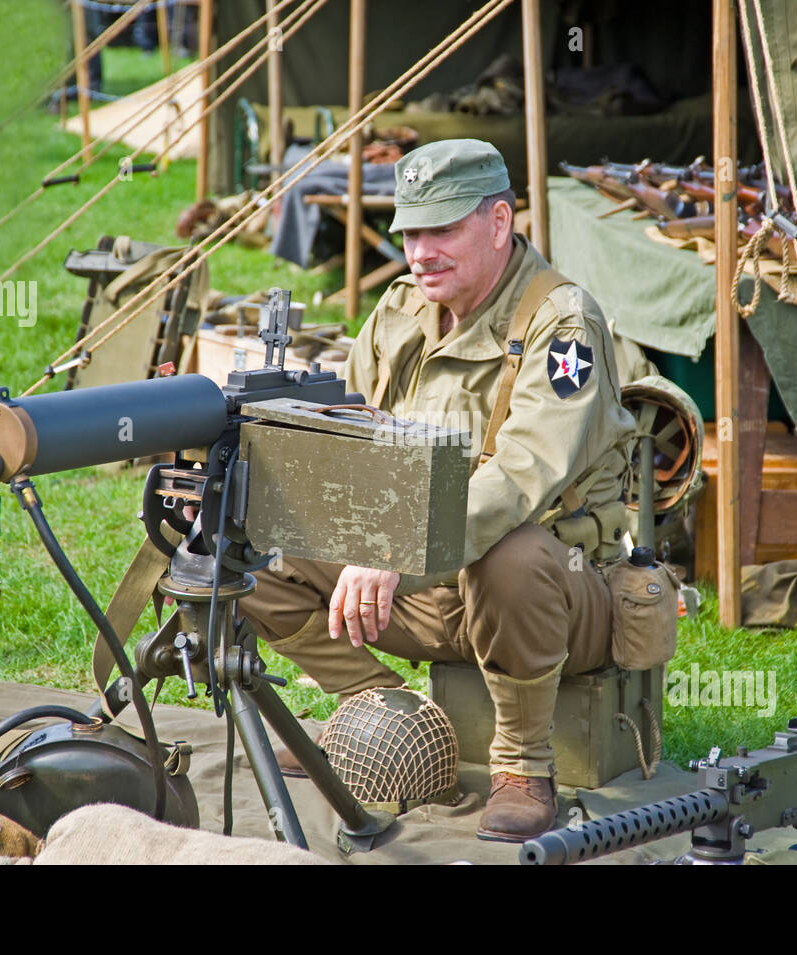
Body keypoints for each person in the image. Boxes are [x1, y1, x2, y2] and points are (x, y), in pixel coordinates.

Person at [238, 139, 635, 842]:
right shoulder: (398, 314)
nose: (420, 250)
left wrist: (395, 548)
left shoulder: (561, 323)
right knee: (252, 545)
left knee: (509, 551)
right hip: (428, 586)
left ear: (499, 222)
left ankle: (522, 762)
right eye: (410, 231)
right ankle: (383, 714)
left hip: (557, 596)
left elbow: (516, 481)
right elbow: (342, 437)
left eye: (441, 229)